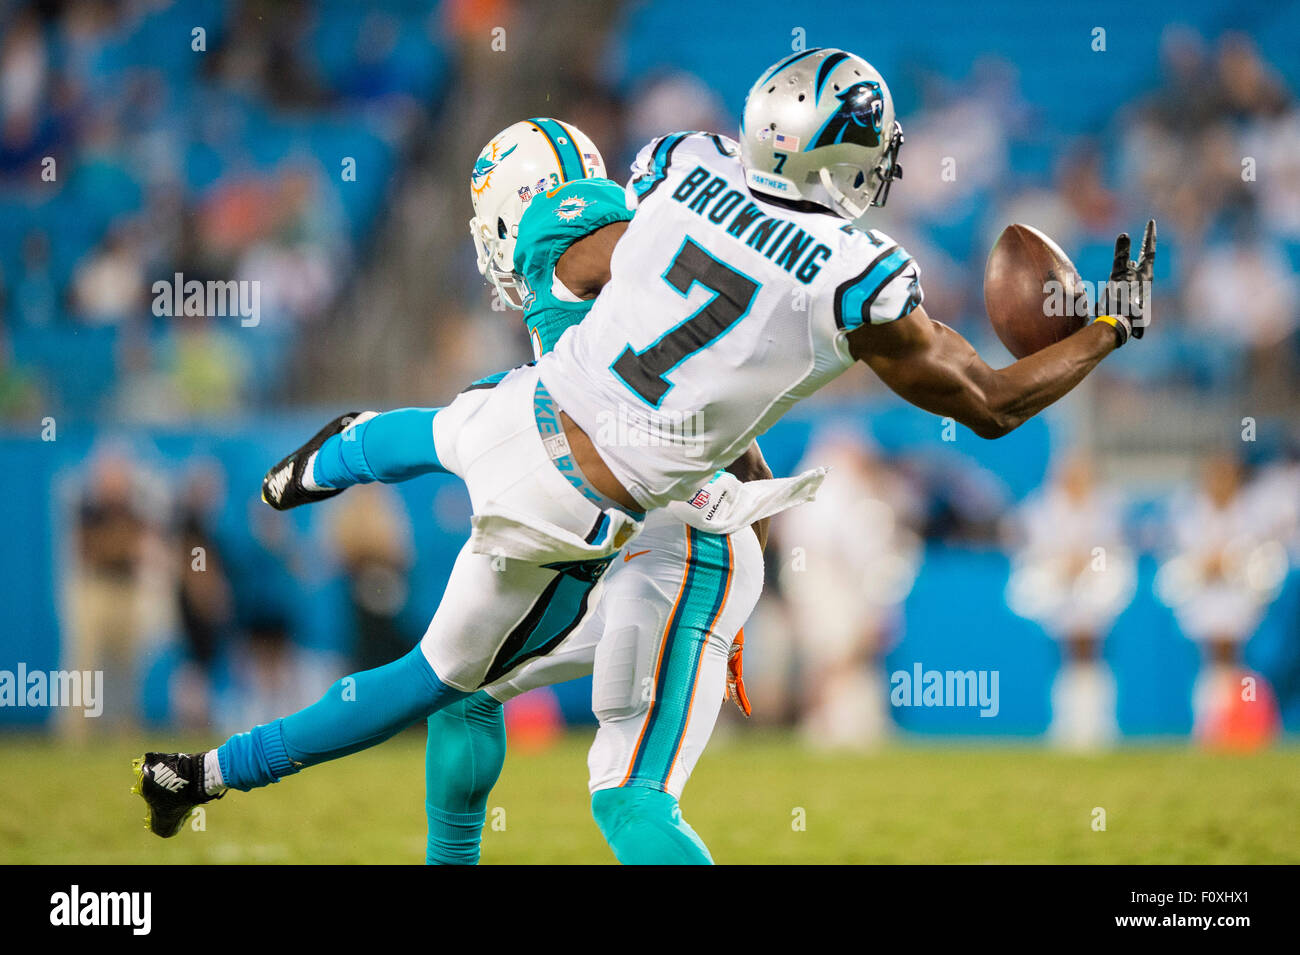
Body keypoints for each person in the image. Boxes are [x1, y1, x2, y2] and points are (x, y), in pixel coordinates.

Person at [135, 47, 1155, 862]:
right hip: (612, 505)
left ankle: (285, 516)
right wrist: (1102, 329)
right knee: (611, 786)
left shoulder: (682, 163)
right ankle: (224, 752)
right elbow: (983, 401)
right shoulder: (856, 270)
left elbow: (612, 265)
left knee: (432, 572)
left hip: (533, 429)